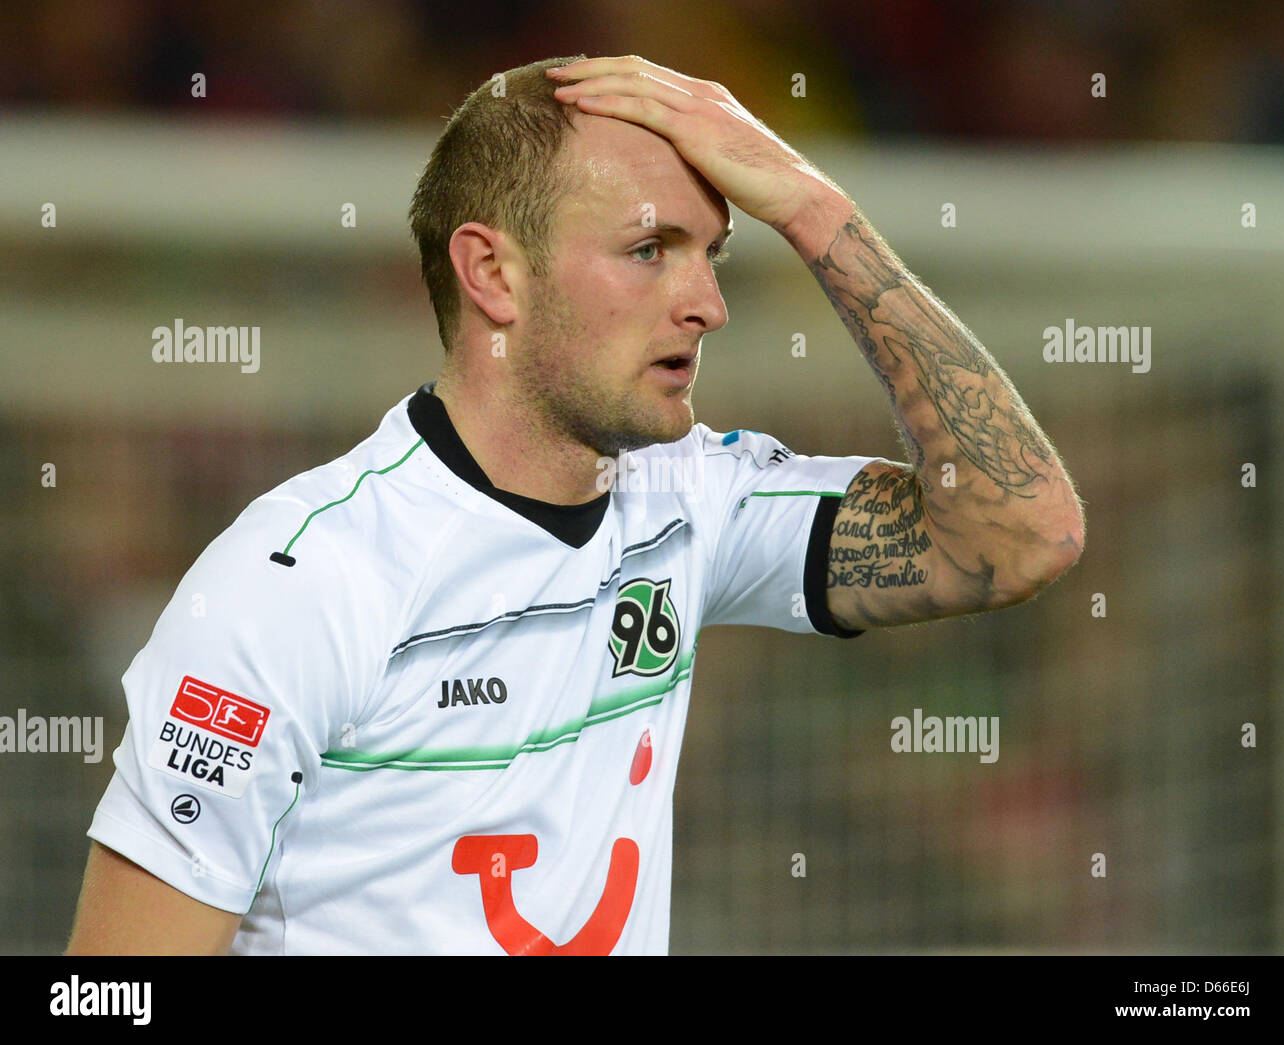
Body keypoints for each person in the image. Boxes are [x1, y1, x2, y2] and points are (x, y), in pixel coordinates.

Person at [67, 54, 1084, 955]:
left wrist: (814, 209)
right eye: (650, 250)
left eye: (713, 253)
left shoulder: (695, 500)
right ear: (492, 273)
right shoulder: (301, 581)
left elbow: (1022, 532)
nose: (707, 304)